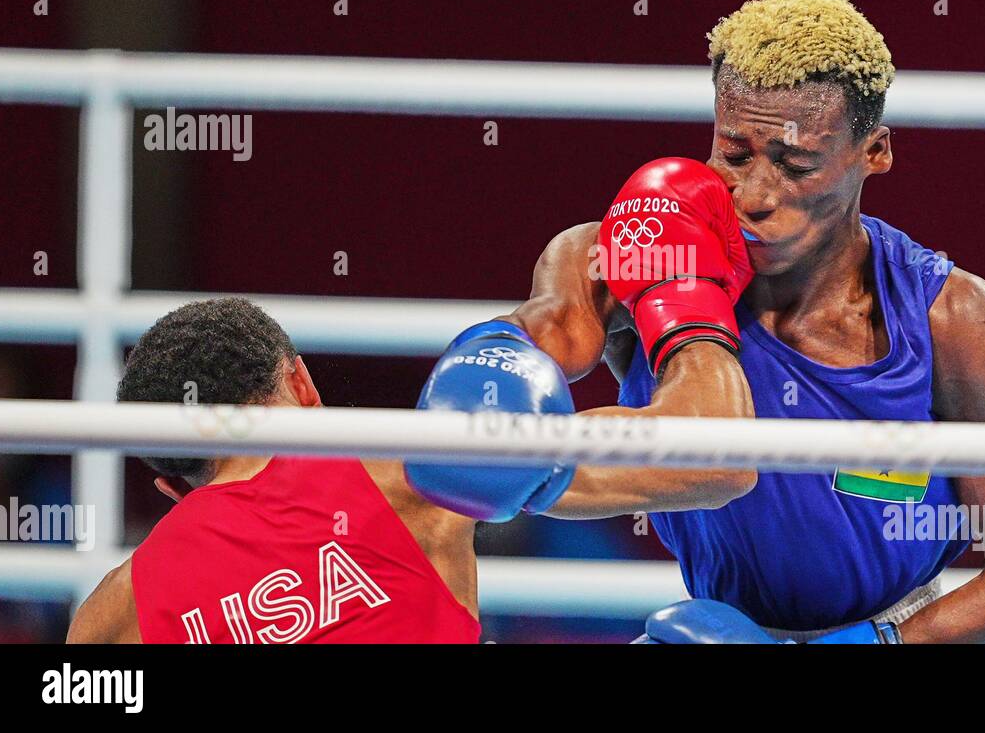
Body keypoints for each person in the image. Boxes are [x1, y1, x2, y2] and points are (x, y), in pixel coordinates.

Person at [511, 0, 985, 643]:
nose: (753, 195)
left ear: (874, 152)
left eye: (794, 163)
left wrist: (878, 645)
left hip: (907, 632)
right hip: (709, 626)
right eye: (735, 154)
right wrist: (492, 367)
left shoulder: (952, 321)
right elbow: (540, 334)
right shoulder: (638, 256)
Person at [67, 143, 757, 644]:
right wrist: (676, 302)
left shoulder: (111, 613)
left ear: (166, 487)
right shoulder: (417, 472)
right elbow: (718, 461)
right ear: (303, 384)